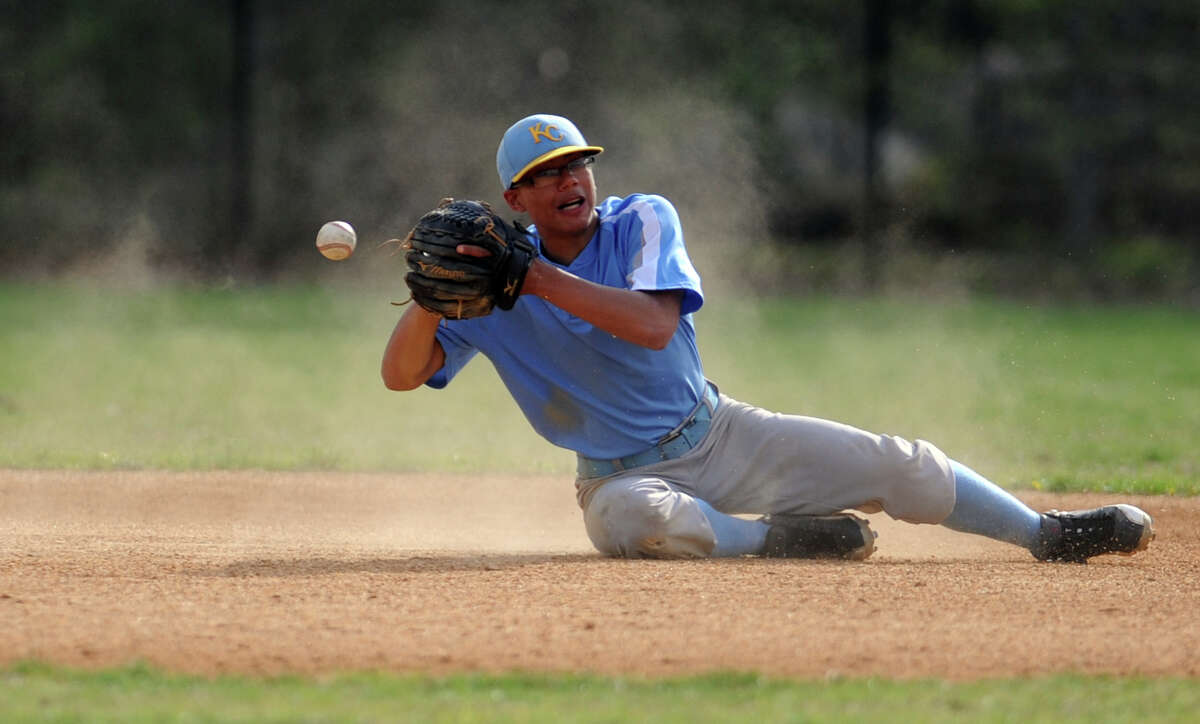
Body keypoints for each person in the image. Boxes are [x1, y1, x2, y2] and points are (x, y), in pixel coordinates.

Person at [381, 113, 1155, 563]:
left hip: (719, 435)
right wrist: (426, 299)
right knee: (643, 524)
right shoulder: (486, 292)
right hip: (614, 477)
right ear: (517, 197)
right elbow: (400, 377)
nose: (570, 178)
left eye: (577, 162)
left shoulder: (641, 219)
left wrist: (536, 279)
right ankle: (779, 541)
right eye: (548, 173)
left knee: (901, 466)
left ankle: (1045, 533)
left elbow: (653, 326)